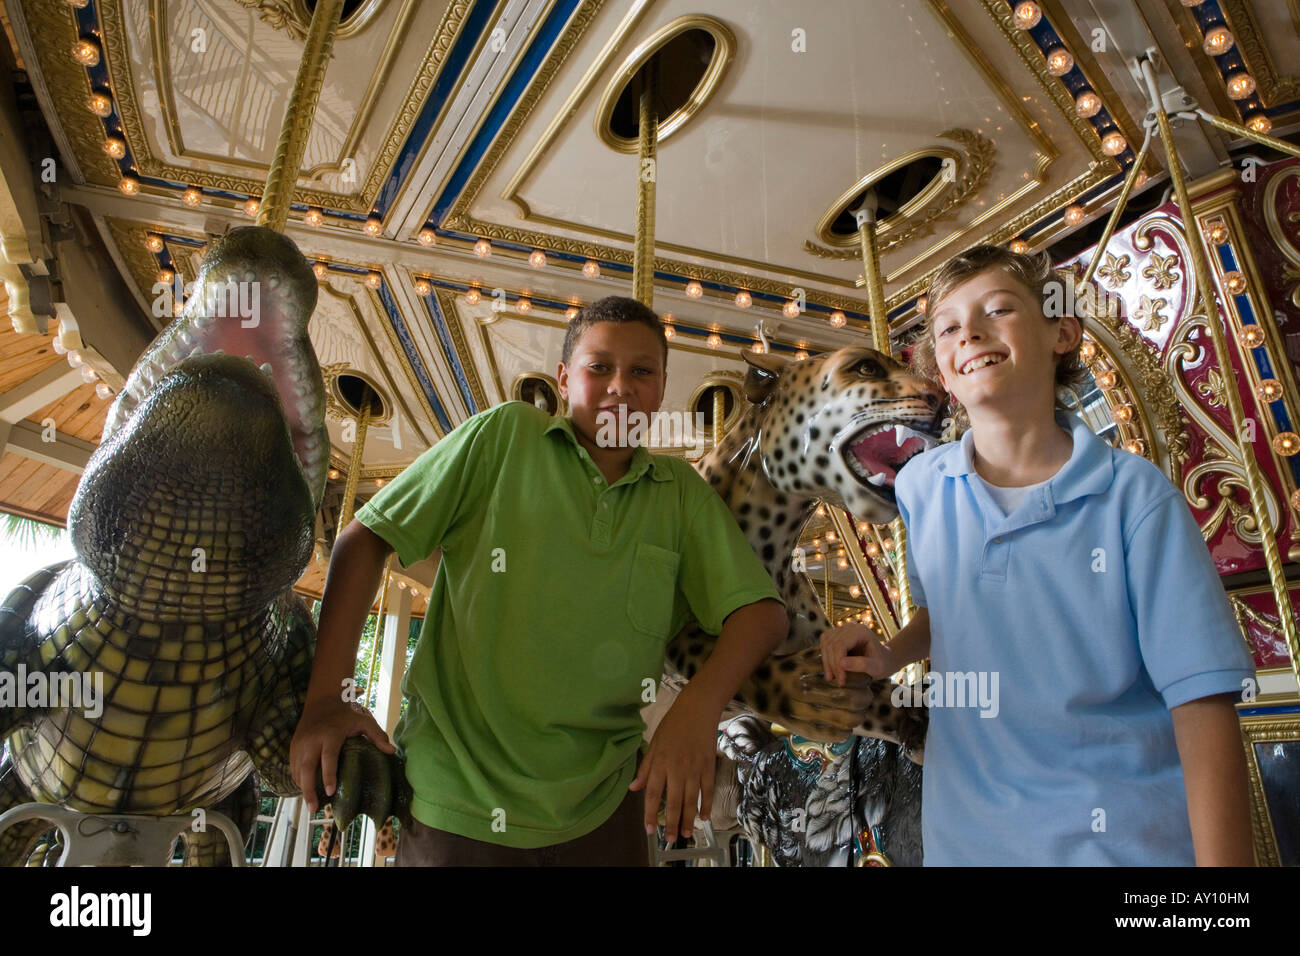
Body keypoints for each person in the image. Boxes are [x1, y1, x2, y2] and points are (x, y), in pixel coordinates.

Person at [289, 295, 787, 865]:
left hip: (604, 804)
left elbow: (761, 613)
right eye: (599, 367)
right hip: (458, 799)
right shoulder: (505, 437)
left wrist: (695, 713)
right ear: (563, 378)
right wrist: (326, 698)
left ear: (662, 387)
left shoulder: (677, 493)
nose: (620, 386)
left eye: (641, 371)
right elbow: (366, 536)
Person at [821, 244, 1256, 866]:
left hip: (1116, 845)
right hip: (968, 842)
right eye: (947, 327)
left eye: (997, 310)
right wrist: (890, 651)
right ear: (942, 370)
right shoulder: (920, 486)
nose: (969, 332)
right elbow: (949, 613)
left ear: (1061, 333)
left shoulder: (1132, 496)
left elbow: (1200, 699)